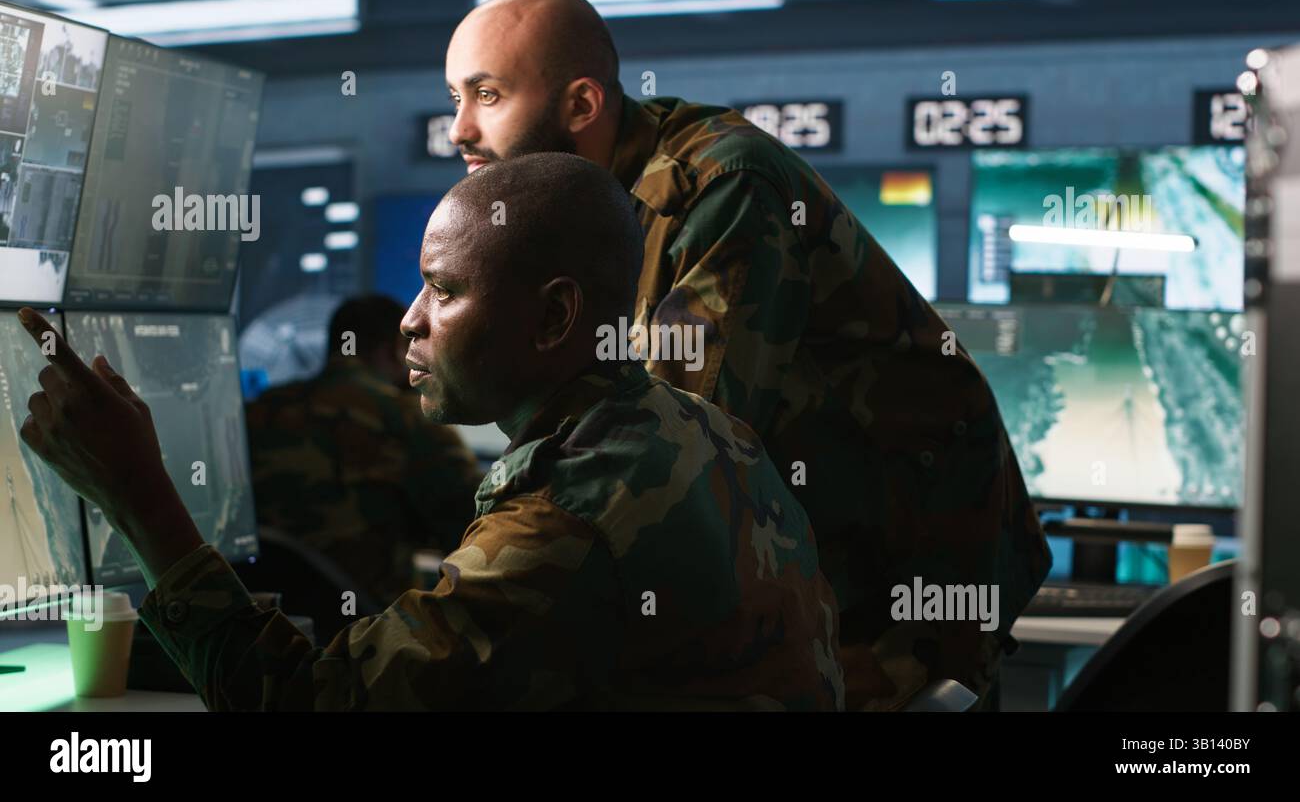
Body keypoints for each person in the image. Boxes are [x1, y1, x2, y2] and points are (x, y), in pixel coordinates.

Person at [17, 153, 844, 711]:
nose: (412, 321)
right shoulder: (706, 428)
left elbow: (303, 703)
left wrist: (139, 496)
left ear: (554, 315)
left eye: (443, 291)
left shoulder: (570, 515)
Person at [442, 0, 1051, 709]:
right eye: (455, 96)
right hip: (806, 547)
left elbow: (673, 448)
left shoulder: (723, 185)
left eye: (487, 94)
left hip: (909, 575)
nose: (459, 129)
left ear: (581, 105)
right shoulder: (591, 209)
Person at [245, 295, 481, 605]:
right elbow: (475, 533)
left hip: (275, 618)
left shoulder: (260, 412)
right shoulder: (405, 418)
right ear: (394, 350)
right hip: (373, 627)